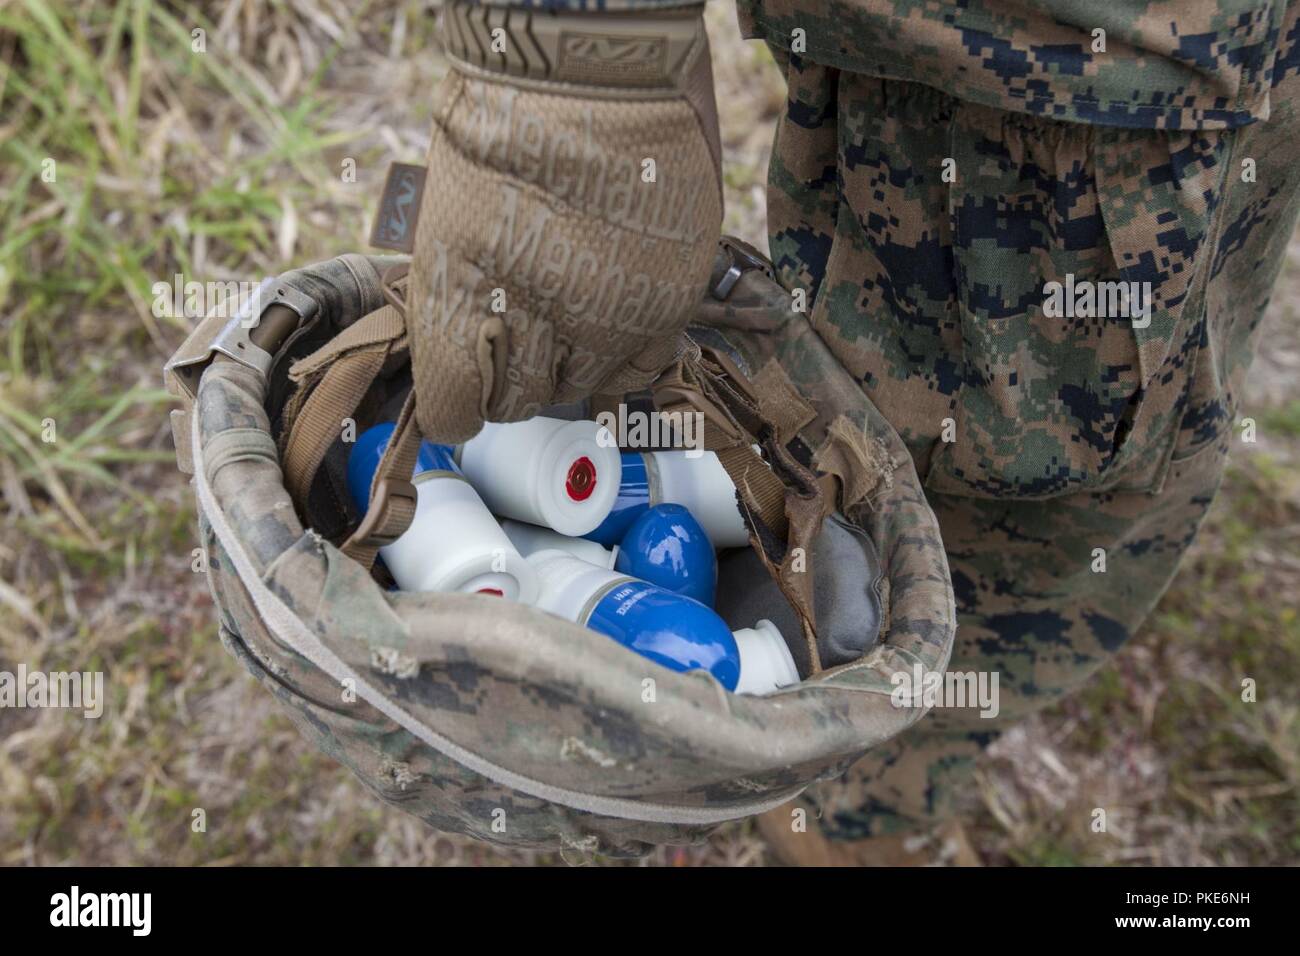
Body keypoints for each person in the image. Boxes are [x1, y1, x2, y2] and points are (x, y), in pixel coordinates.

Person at [414, 0, 1300, 865]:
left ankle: (869, 778)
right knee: (941, 510)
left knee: (1117, 464)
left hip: (1212, 70)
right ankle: (848, 800)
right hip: (1031, 75)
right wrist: (565, 62)